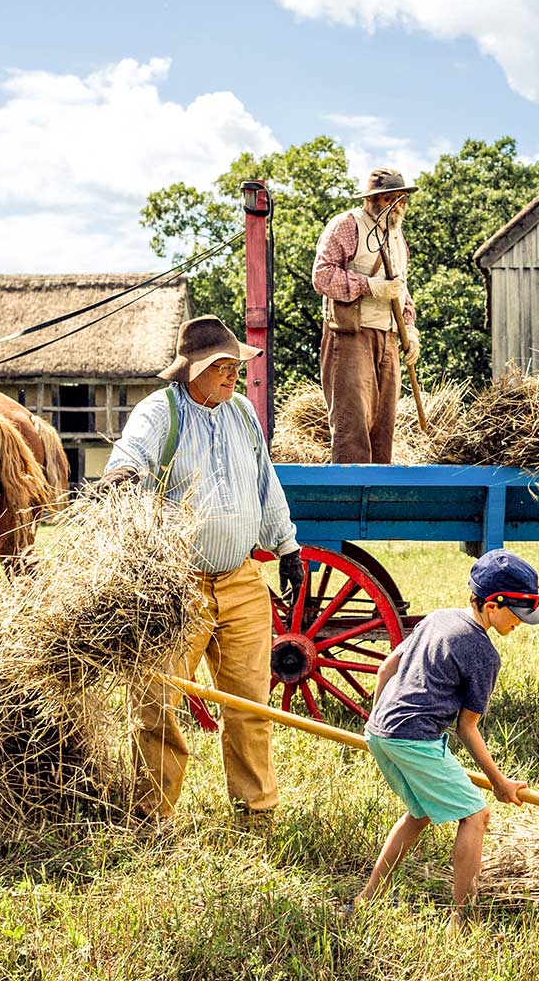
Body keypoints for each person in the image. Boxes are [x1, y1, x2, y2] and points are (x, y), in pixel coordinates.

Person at [103, 315, 304, 824]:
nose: (234, 373)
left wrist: (288, 547)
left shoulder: (241, 414)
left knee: (250, 705)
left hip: (239, 578)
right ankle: (152, 816)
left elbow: (266, 482)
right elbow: (129, 457)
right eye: (222, 365)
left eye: (236, 365)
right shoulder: (160, 413)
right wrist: (125, 475)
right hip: (177, 587)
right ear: (192, 370)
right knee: (157, 707)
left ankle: (256, 810)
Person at [350, 549, 539, 928]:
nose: (520, 624)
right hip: (413, 738)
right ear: (492, 604)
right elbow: (466, 728)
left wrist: (377, 720)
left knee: (419, 814)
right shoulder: (484, 654)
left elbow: (386, 667)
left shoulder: (438, 617)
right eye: (517, 615)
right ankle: (463, 921)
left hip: (382, 733)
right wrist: (500, 783)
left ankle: (366, 898)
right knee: (476, 814)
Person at [311, 167, 423, 464]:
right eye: (390, 199)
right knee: (353, 427)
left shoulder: (398, 239)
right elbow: (321, 277)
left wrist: (410, 331)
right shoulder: (347, 225)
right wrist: (369, 286)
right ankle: (349, 505)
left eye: (402, 200)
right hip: (352, 337)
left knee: (383, 428)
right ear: (373, 200)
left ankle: (377, 504)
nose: (398, 205)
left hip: (388, 339)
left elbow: (401, 290)